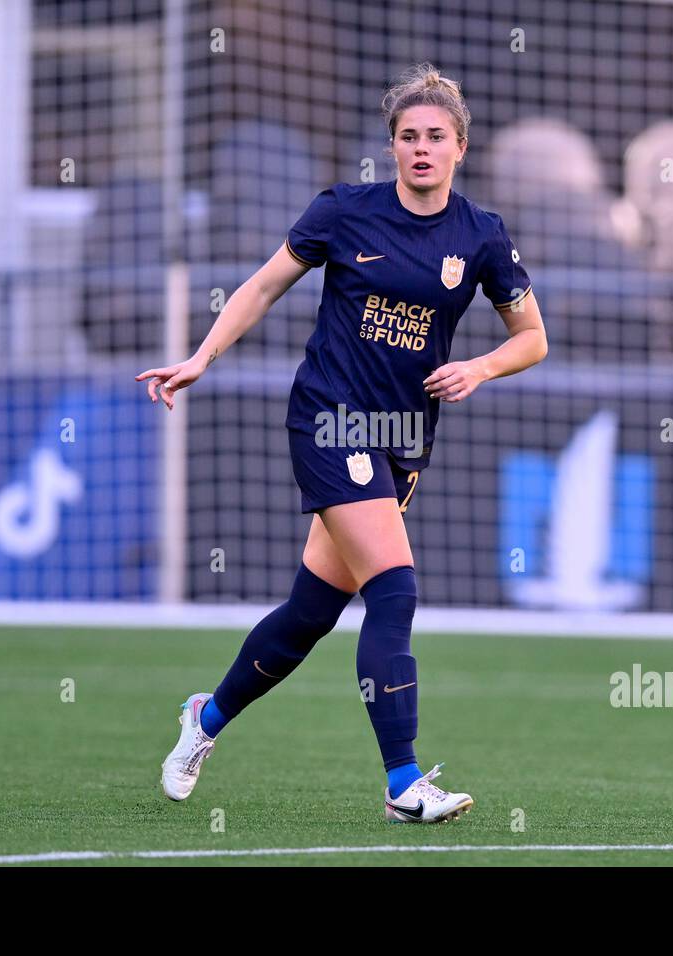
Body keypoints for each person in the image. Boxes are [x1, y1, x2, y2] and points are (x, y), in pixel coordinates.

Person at [138, 62, 547, 823]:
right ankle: (403, 783)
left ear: (460, 146)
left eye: (435, 137)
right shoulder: (344, 212)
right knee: (395, 590)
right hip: (330, 418)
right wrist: (202, 356)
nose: (420, 148)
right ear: (390, 146)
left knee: (309, 614)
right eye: (406, 137)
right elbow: (262, 285)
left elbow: (532, 338)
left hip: (401, 439)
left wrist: (480, 368)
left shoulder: (482, 236)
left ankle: (204, 721)